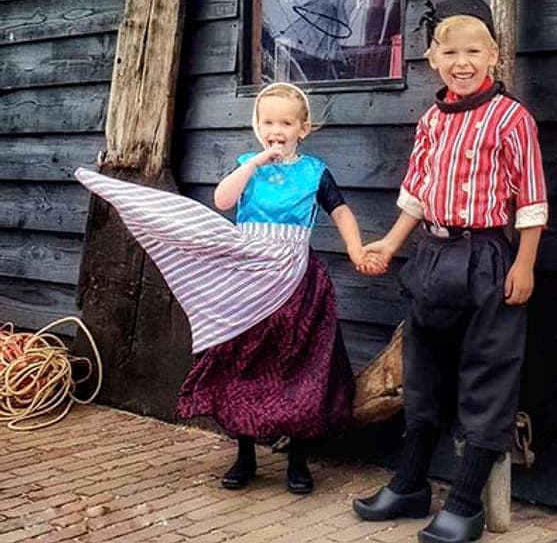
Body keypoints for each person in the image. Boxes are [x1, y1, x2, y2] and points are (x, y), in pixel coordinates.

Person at [75, 81, 381, 495]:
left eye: (286, 123)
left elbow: (340, 211)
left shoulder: (314, 172)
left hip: (295, 280)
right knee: (241, 363)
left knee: (298, 367)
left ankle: (296, 459)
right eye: (268, 121)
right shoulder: (246, 165)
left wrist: (356, 247)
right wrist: (253, 164)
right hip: (246, 278)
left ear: (302, 129)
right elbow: (222, 201)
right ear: (258, 125)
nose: (277, 130)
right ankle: (245, 455)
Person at [353, 0, 548, 543]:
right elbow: (417, 194)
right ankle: (411, 484)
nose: (462, 62)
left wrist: (524, 262)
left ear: (494, 56)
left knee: (487, 375)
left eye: (474, 51)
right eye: (450, 52)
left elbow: (532, 198)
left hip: (487, 255)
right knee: (423, 371)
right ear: (432, 58)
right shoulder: (432, 121)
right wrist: (391, 245)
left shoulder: (512, 118)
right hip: (432, 256)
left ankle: (464, 505)